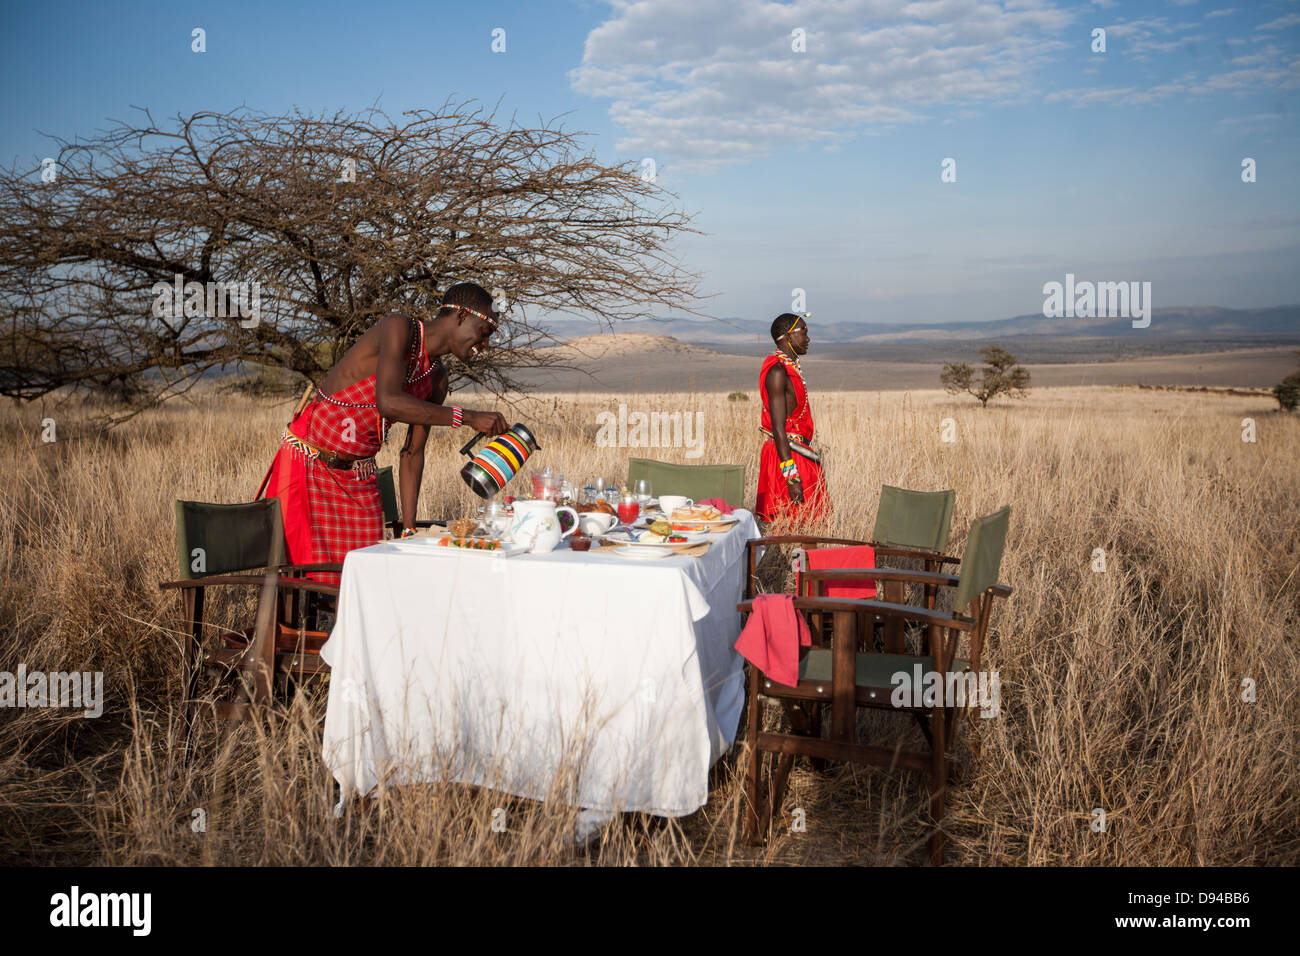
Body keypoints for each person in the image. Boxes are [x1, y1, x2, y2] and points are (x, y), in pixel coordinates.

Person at [257, 282, 509, 583]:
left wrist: (410, 527)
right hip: (310, 466)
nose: (485, 344)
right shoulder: (398, 328)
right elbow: (389, 402)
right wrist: (466, 417)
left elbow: (412, 454)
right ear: (460, 316)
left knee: (363, 582)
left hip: (360, 480)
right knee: (293, 584)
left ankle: (343, 632)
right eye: (484, 332)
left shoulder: (436, 377)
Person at [755, 312, 829, 524]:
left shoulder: (790, 369)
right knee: (793, 523)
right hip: (788, 456)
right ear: (788, 337)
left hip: (800, 453)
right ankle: (788, 558)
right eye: (803, 332)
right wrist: (791, 477)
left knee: (810, 525)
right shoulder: (778, 372)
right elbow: (778, 429)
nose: (808, 338)